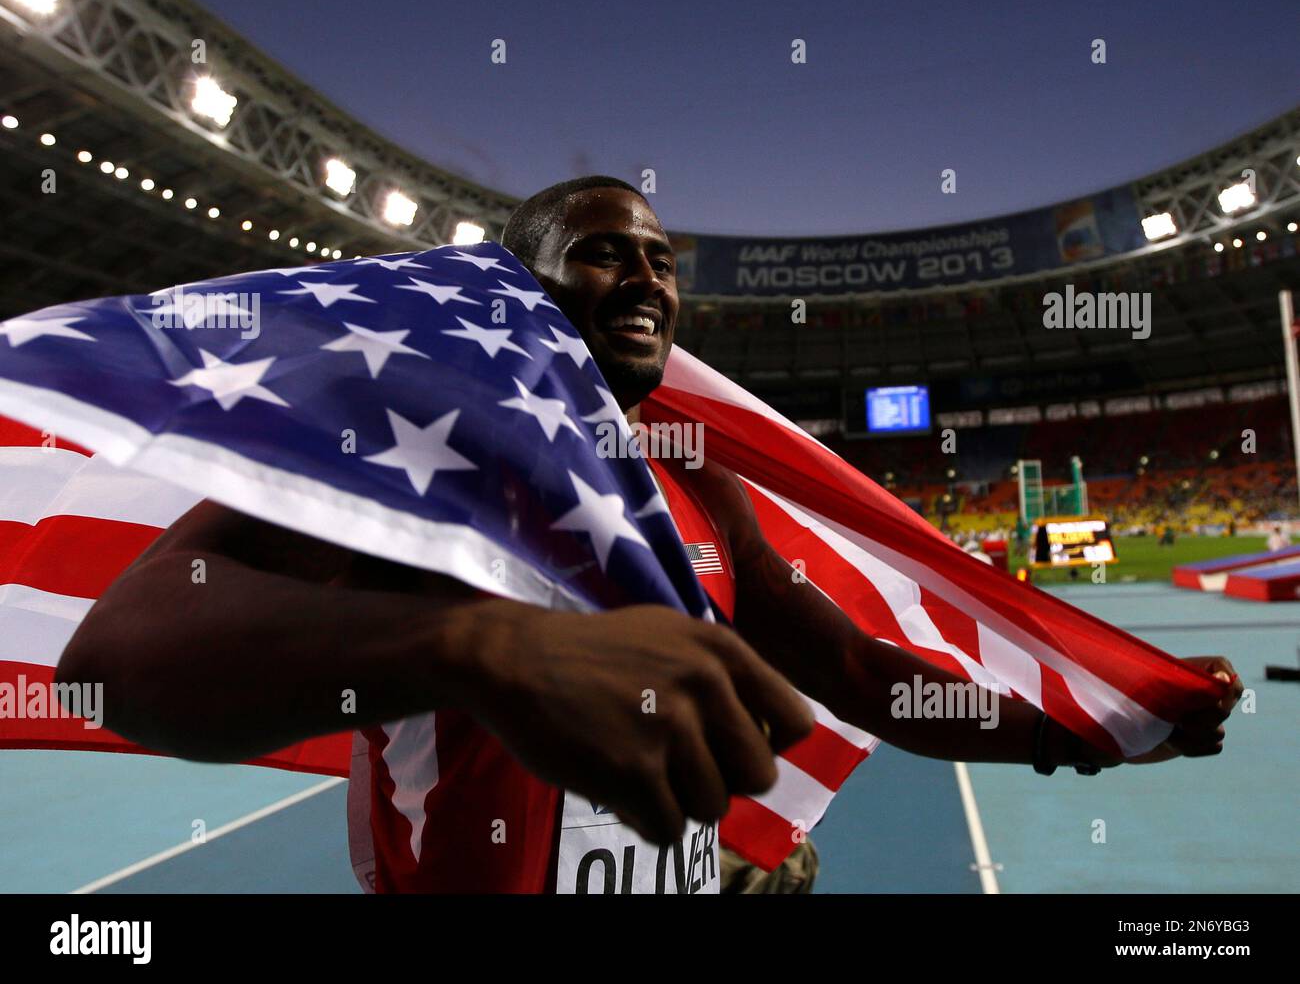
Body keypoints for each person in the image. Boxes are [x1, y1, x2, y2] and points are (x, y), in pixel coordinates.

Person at [55, 176, 1243, 894]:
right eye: (603, 254)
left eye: (662, 262)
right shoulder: (414, 447)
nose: (644, 280)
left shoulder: (700, 482)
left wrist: (1088, 727)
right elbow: (114, 666)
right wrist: (478, 648)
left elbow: (855, 673)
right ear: (518, 288)